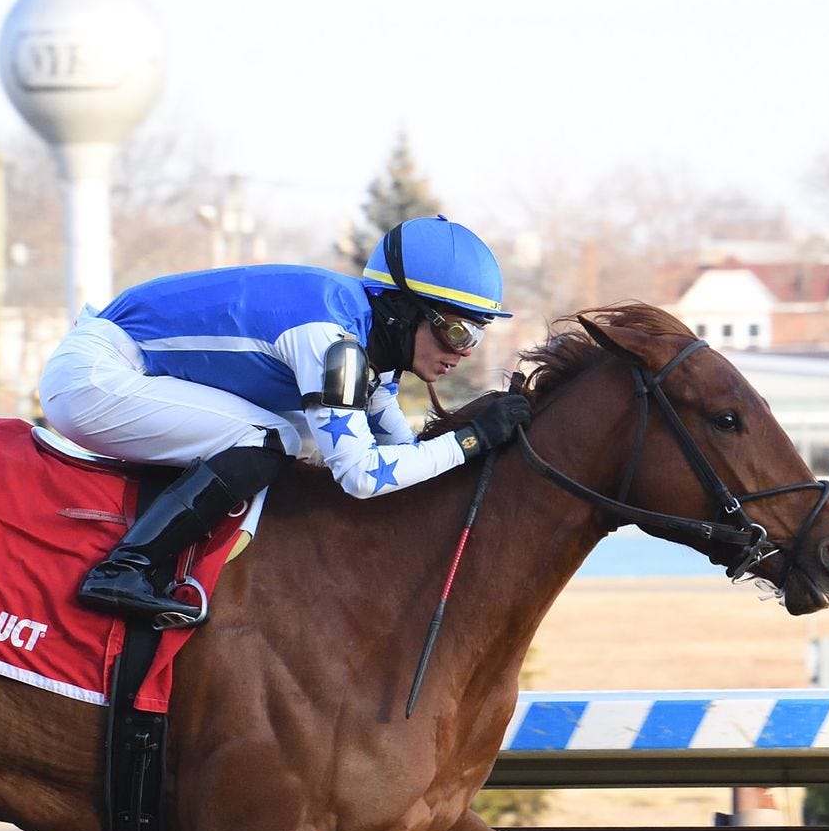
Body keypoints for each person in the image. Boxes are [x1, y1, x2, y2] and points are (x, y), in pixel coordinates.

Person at [38, 214, 532, 626]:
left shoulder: (366, 348)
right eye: (457, 330)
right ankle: (125, 569)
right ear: (402, 311)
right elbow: (363, 476)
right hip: (95, 378)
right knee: (273, 438)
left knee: (302, 439)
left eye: (476, 337)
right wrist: (472, 440)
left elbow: (399, 453)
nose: (463, 353)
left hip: (121, 364)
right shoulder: (333, 343)